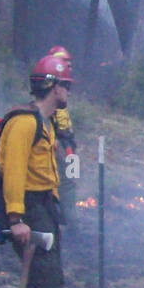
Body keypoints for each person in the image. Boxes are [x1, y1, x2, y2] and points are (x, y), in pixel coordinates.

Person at [0, 52, 104, 288]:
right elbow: (14, 172)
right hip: (29, 210)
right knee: (50, 282)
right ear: (54, 87)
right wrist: (16, 219)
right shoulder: (23, 124)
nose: (68, 92)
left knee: (37, 280)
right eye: (66, 86)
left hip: (43, 207)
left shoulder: (42, 124)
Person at [47, 45, 78, 225]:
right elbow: (57, 120)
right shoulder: (55, 88)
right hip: (61, 146)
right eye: (66, 63)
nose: (70, 67)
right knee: (67, 183)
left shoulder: (58, 86)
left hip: (68, 146)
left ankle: (69, 219)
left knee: (71, 182)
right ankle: (70, 223)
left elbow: (64, 120)